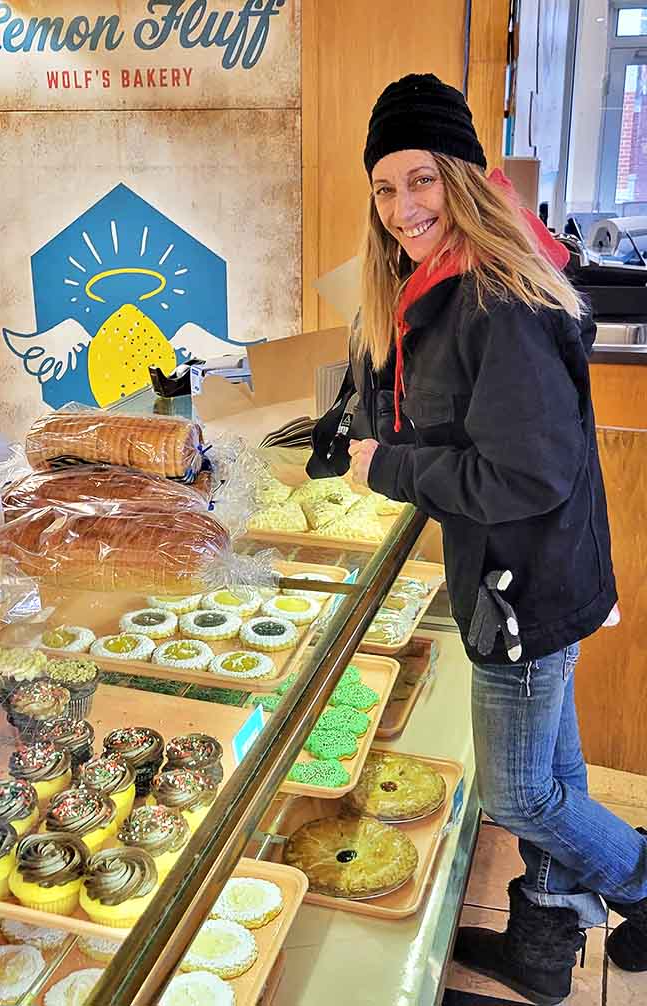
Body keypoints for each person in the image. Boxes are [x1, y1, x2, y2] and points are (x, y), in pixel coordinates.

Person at [344, 73, 647, 1006]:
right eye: (387, 187)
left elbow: (523, 475)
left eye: (423, 180)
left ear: (466, 180)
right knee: (553, 772)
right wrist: (359, 428)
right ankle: (545, 951)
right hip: (539, 580)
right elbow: (459, 424)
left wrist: (385, 469)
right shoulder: (439, 288)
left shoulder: (492, 299)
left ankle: (641, 884)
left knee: (518, 795)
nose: (403, 208)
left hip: (521, 586)